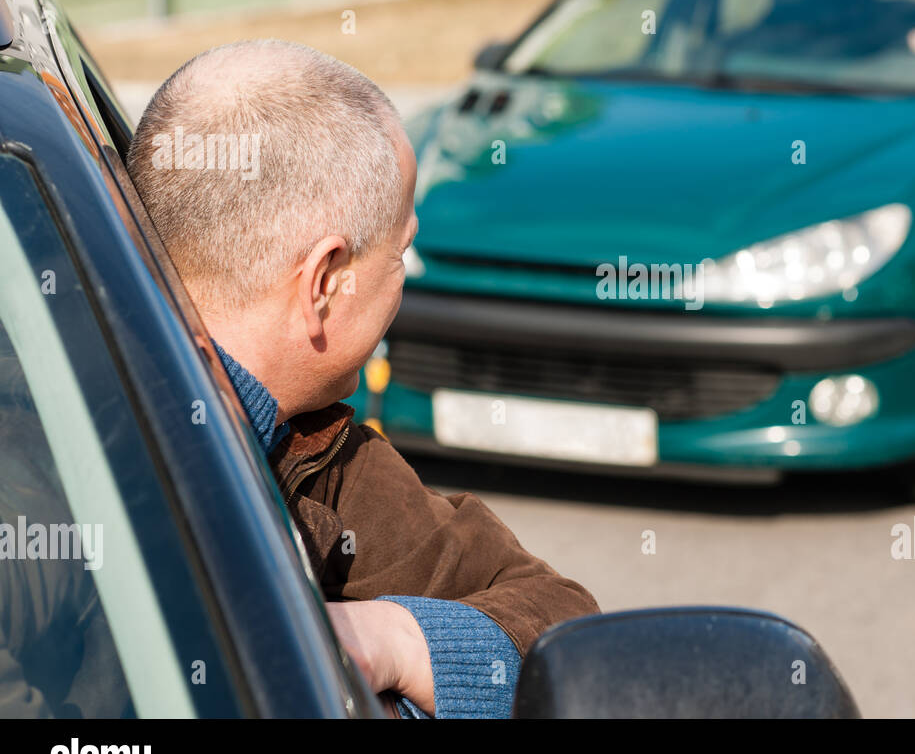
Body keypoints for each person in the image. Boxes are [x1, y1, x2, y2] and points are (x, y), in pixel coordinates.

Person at [124, 39, 600, 718]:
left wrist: (394, 641)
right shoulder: (48, 462)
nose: (403, 281)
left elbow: (564, 629)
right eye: (400, 253)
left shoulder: (320, 452)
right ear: (325, 282)